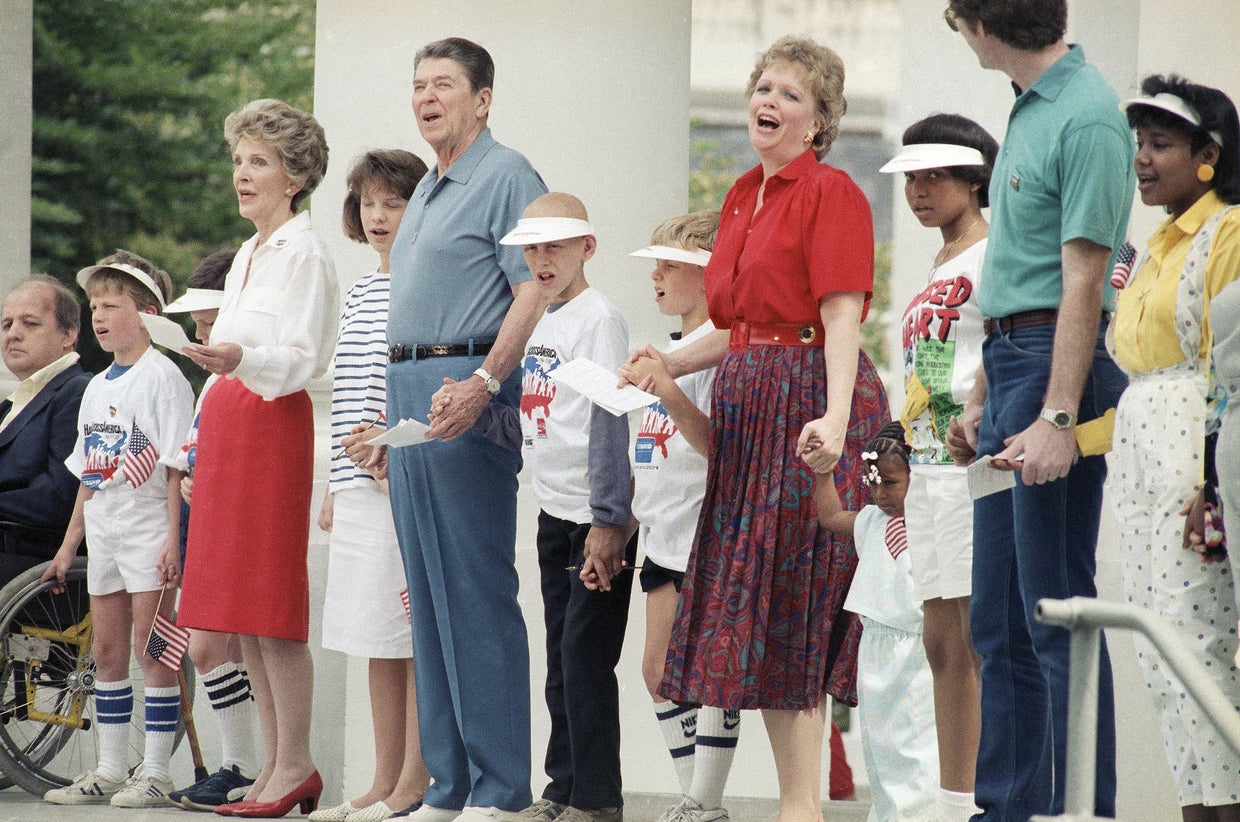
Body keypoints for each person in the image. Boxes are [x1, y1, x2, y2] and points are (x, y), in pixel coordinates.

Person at [630, 35, 889, 822]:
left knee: (796, 606)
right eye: (763, 88)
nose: (768, 103)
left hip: (805, 398)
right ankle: (791, 804)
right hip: (750, 404)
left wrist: (837, 420)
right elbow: (739, 329)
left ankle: (800, 805)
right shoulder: (744, 193)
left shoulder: (831, 192)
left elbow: (837, 317)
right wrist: (667, 363)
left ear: (819, 121)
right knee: (768, 616)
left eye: (791, 95)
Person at [943, 1, 1134, 817]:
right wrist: (984, 389)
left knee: (1056, 614)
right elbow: (1018, 271)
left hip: (1058, 369)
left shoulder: (1087, 114)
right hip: (1011, 363)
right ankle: (1008, 808)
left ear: (983, 21)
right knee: (998, 623)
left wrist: (1057, 416)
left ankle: (1081, 813)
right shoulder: (1027, 108)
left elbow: (1084, 280)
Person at [381, 36, 547, 822]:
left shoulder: (506, 175)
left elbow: (535, 290)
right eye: (418, 85)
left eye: (443, 84)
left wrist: (485, 384)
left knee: (476, 593)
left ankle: (502, 788)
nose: (426, 97)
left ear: (483, 98)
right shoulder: (426, 189)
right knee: (431, 596)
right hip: (409, 387)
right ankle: (448, 786)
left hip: (465, 386)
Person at [177, 98, 337, 818]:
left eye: (259, 162)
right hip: (234, 423)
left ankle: (296, 762)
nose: (242, 174)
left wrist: (241, 355)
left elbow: (302, 359)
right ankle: (274, 763)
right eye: (238, 160)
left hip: (272, 423)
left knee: (272, 606)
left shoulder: (304, 253)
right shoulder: (248, 253)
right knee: (242, 613)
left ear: (294, 175)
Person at [476, 192, 634, 822]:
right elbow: (533, 415)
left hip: (593, 519)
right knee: (560, 659)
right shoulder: (539, 317)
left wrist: (607, 521)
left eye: (554, 248)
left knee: (586, 660)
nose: (541, 260)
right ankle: (564, 787)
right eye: (533, 248)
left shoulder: (599, 318)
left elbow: (609, 421)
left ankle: (598, 801)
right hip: (553, 512)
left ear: (586, 249)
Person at [1108, 76, 1240, 822]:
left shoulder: (1229, 232)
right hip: (1139, 452)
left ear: (1208, 156)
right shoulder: (1152, 245)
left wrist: (1212, 483)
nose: (1144, 159)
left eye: (1161, 145)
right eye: (1141, 145)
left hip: (1194, 451)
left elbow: (1230, 367)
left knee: (1201, 651)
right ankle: (1193, 808)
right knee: (1159, 655)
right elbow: (1138, 374)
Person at [41, 251, 194, 807]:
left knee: (152, 648)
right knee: (106, 650)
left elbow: (176, 465)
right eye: (94, 306)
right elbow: (89, 474)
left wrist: (174, 541)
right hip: (105, 532)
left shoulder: (165, 377)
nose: (99, 316)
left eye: (112, 305)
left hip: (150, 527)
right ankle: (109, 767)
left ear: (148, 312)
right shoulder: (95, 385)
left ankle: (155, 771)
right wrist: (67, 548)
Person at [879, 115, 996, 822]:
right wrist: (899, 439)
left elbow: (1114, 266)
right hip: (926, 468)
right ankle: (951, 802)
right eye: (912, 178)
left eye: (936, 177)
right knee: (939, 638)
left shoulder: (996, 251)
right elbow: (931, 369)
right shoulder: (941, 265)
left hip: (971, 465)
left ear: (974, 177)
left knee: (972, 638)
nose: (919, 191)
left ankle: (976, 801)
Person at [311, 148, 431, 822]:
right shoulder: (362, 288)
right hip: (356, 483)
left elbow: (416, 384)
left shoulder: (424, 285)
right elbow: (347, 389)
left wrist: (392, 447)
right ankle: (384, 778)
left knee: (409, 632)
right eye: (369, 203)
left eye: (395, 201)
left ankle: (417, 775)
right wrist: (335, 484)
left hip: (401, 473)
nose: (379, 216)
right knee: (373, 635)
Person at [620, 212, 740, 822]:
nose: (657, 277)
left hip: (706, 534)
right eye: (655, 266)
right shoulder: (661, 351)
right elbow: (652, 449)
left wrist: (668, 390)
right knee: (658, 669)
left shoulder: (720, 353)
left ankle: (703, 799)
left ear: (708, 274)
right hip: (662, 534)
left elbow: (721, 449)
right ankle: (697, 796)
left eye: (670, 266)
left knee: (713, 671)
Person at [156, 248, 264, 813]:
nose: (201, 339)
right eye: (196, 327)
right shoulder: (212, 386)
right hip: (203, 523)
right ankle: (239, 763)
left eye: (210, 324)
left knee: (209, 648)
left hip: (233, 527)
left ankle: (245, 764)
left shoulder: (252, 378)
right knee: (216, 648)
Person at [815, 421, 937, 822]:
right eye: (874, 483)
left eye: (891, 482)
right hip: (874, 648)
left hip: (918, 650)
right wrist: (822, 469)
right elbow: (831, 514)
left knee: (917, 745)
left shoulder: (935, 523)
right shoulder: (871, 521)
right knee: (880, 748)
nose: (881, 494)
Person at [0, 275, 91, 582]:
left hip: (33, 556)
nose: (13, 334)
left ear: (69, 334)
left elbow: (60, 497)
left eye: (30, 323)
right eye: (6, 324)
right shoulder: (12, 405)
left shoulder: (78, 393)